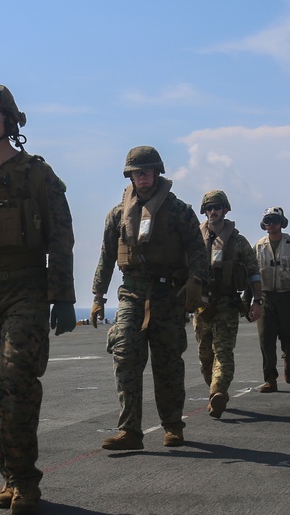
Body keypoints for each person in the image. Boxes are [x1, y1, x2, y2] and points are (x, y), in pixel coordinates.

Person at [0, 84, 75, 515]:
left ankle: (26, 479)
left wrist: (62, 296)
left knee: (14, 380)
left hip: (26, 287)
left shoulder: (37, 174)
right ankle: (8, 472)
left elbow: (61, 237)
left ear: (10, 120)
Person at [90, 146, 207, 450]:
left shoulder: (179, 211)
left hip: (168, 294)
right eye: (137, 172)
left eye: (147, 171)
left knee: (168, 362)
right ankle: (130, 431)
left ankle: (173, 426)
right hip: (131, 292)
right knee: (125, 355)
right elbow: (106, 256)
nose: (142, 177)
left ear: (158, 173)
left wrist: (196, 281)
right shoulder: (117, 214)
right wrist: (98, 295)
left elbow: (197, 248)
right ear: (130, 176)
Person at [193, 190, 262, 418]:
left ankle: (218, 392)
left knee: (223, 352)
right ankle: (215, 390)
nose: (213, 211)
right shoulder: (194, 239)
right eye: (209, 208)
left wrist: (257, 301)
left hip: (227, 304)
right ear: (205, 211)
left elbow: (253, 273)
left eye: (217, 207)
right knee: (205, 356)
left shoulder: (238, 242)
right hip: (201, 306)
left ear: (225, 209)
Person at [253, 207, 290, 393]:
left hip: (288, 296)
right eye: (268, 220)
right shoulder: (259, 246)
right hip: (266, 296)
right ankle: (270, 379)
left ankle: (289, 359)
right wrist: (249, 299)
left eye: (275, 220)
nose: (271, 223)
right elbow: (251, 273)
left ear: (282, 222)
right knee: (265, 340)